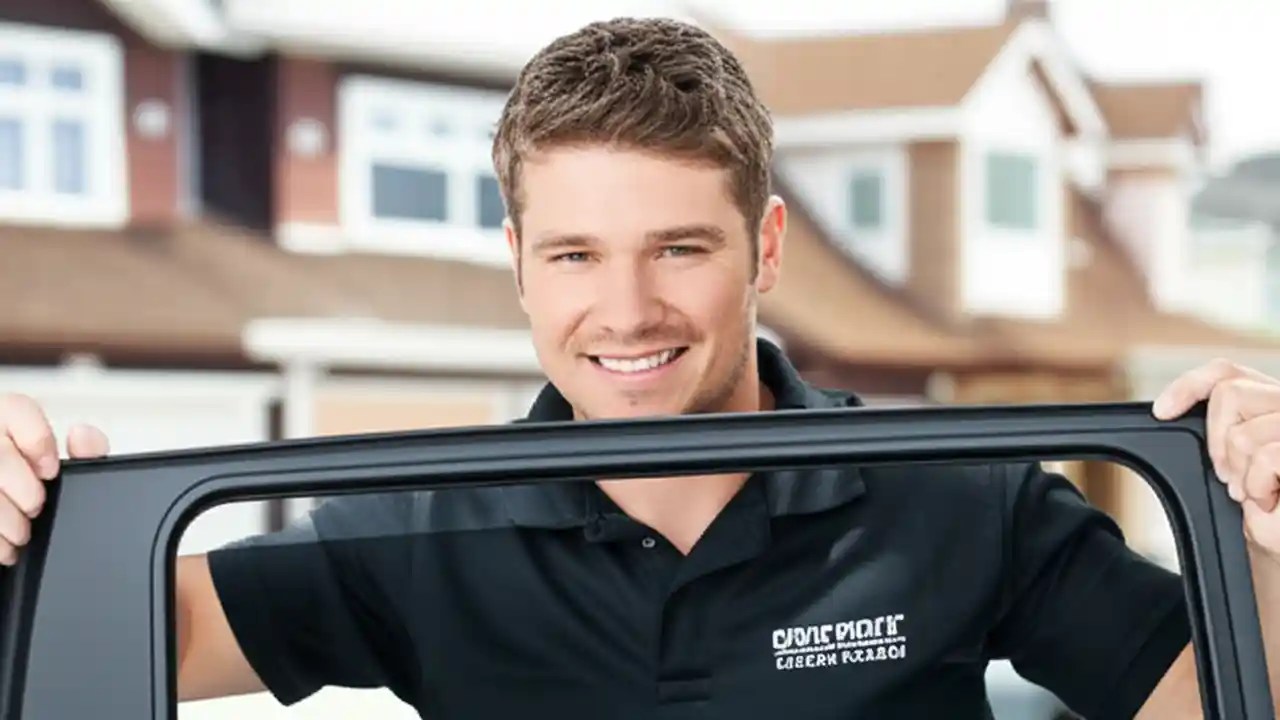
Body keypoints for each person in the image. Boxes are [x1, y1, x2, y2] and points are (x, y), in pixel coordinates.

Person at [3, 16, 1280, 719]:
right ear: (514, 261)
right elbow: (131, 647)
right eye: (572, 255)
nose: (623, 311)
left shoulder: (959, 497)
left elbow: (1221, 704)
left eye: (677, 247)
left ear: (764, 245)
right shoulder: (412, 526)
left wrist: (1268, 531)